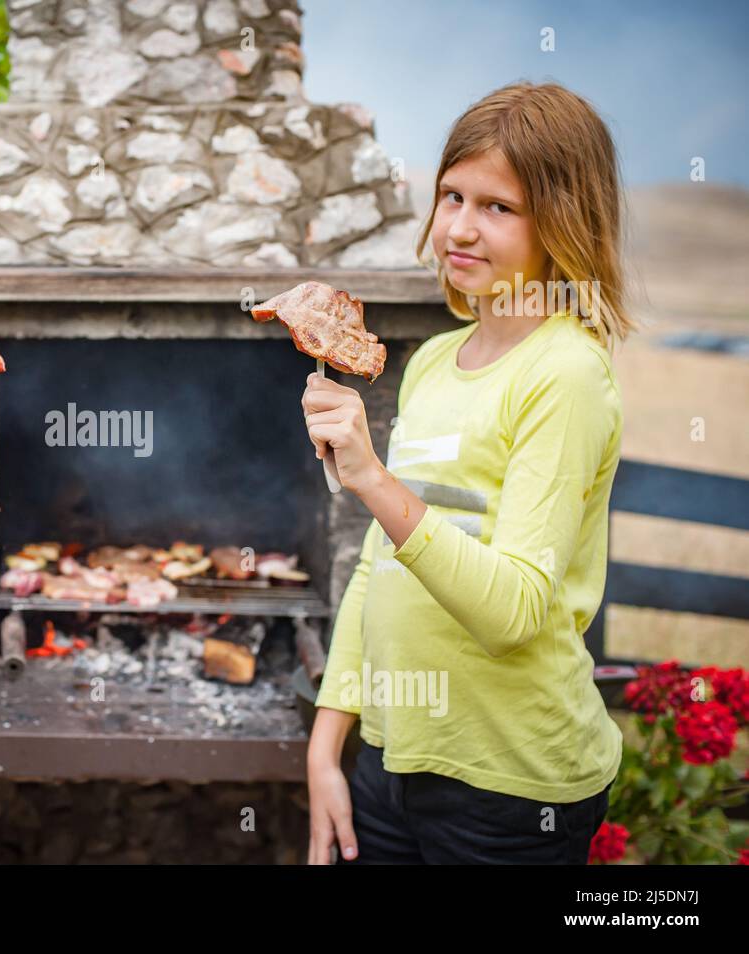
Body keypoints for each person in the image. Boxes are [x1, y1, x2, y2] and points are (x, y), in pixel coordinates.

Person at [303, 82, 635, 865]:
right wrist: (328, 744)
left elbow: (515, 611)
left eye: (498, 207)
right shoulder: (432, 364)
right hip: (392, 762)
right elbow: (379, 565)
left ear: (563, 219)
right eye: (452, 194)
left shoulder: (565, 376)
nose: (458, 227)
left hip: (510, 789)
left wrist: (373, 479)